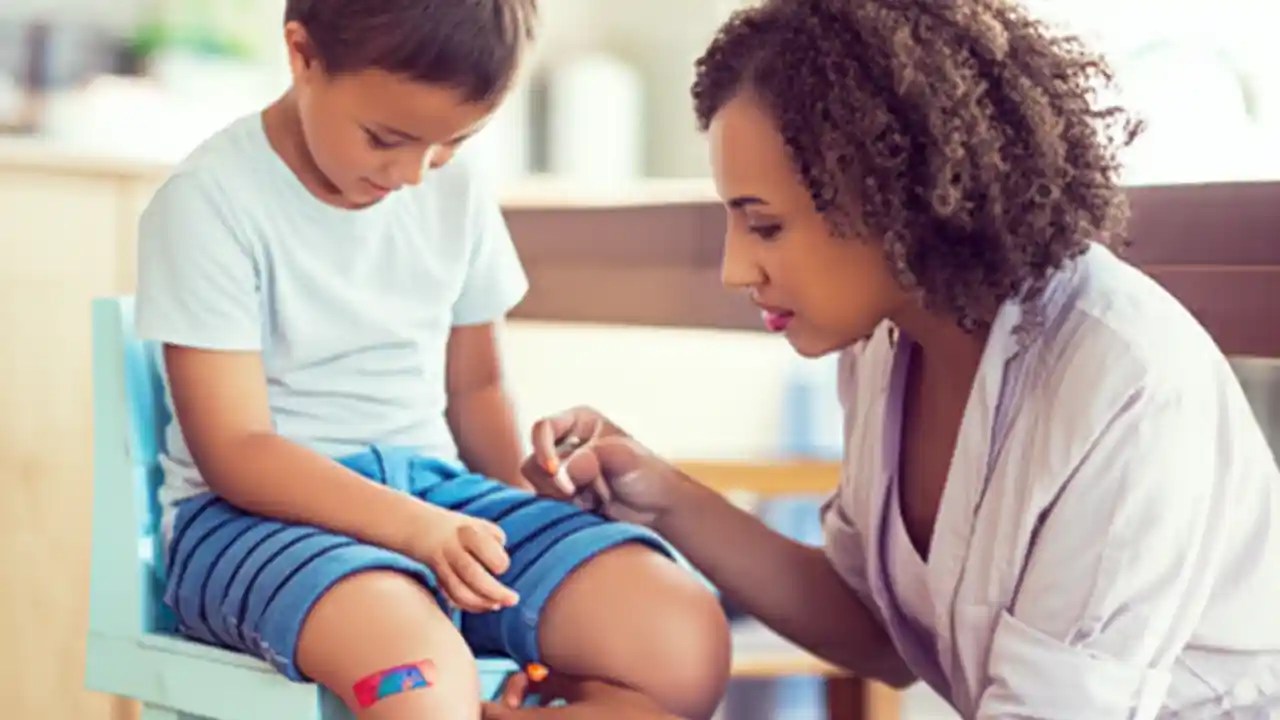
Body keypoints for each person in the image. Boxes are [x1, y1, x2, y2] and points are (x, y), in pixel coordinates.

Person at [492, 0, 1280, 717]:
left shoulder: (1122, 382)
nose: (737, 269)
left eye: (764, 226)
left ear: (890, 193)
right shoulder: (888, 341)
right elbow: (877, 632)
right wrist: (663, 496)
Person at [133, 2, 730, 718]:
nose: (415, 173)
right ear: (301, 54)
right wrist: (414, 529)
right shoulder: (210, 202)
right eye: (386, 138)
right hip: (248, 521)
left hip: (436, 498)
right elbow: (236, 450)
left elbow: (475, 389)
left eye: (452, 141)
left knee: (682, 641)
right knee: (418, 679)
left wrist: (534, 491)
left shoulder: (455, 185)